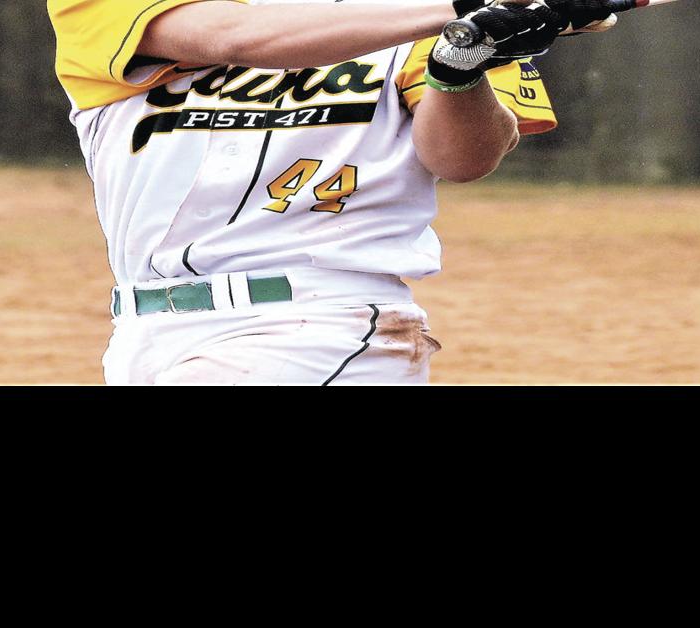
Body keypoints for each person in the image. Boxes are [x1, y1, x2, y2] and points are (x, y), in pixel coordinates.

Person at [47, 0, 614, 384]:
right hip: (142, 329)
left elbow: (463, 159)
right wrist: (461, 6)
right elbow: (239, 38)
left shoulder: (435, 16)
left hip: (319, 319)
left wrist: (459, 67)